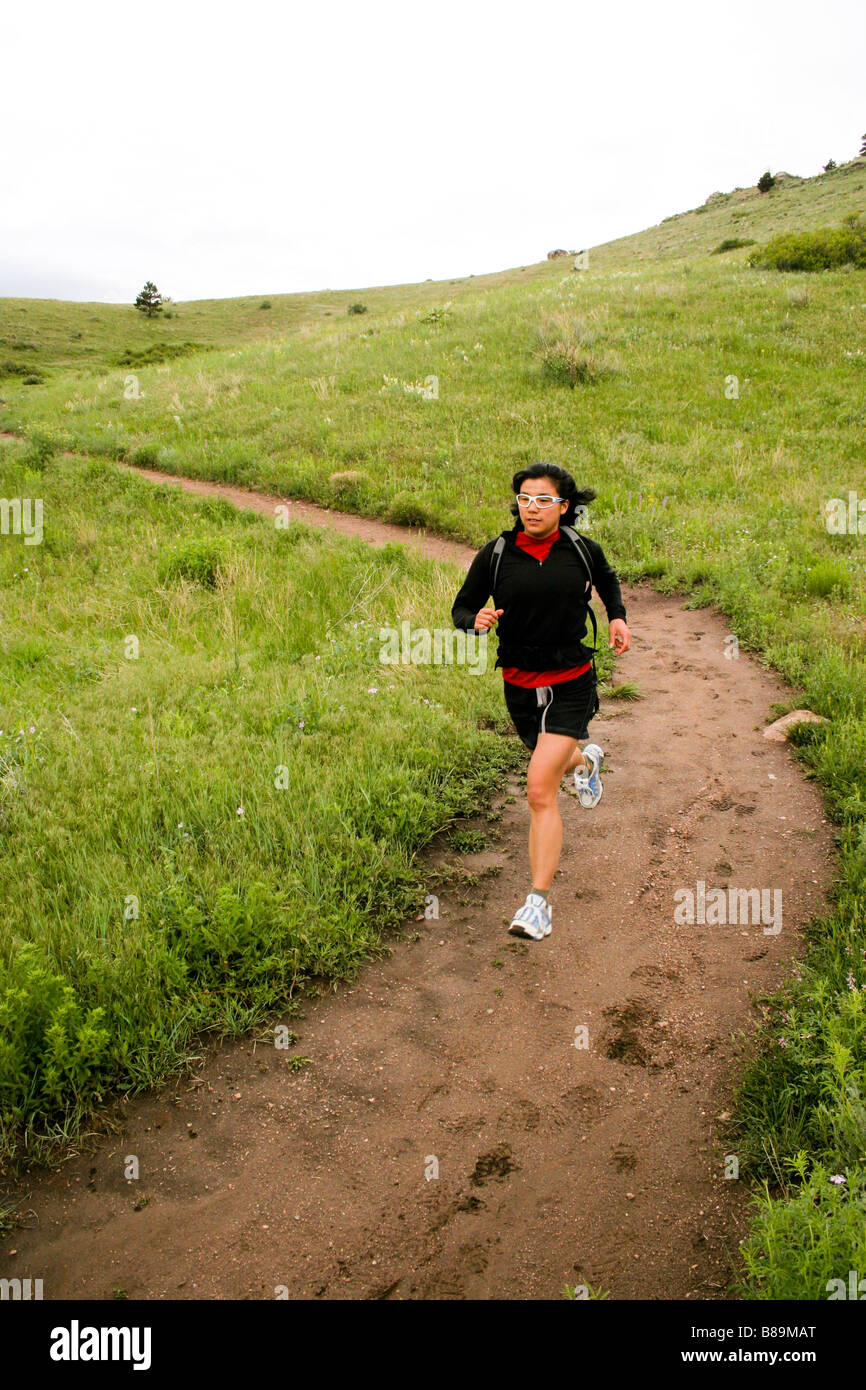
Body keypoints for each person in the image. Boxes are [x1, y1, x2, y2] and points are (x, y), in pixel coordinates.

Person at [451, 462, 631, 941]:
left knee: (538, 788)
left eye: (543, 500)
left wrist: (617, 618)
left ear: (563, 507)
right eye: (525, 499)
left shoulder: (580, 550)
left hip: (572, 679)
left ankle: (538, 904)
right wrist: (477, 621)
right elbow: (461, 608)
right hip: (519, 683)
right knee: (553, 761)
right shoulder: (495, 554)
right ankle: (586, 762)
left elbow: (609, 582)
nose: (532, 507)